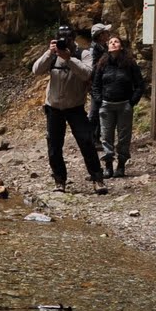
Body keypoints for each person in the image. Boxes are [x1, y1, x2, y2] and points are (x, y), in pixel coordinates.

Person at [31, 24, 108, 195]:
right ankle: (60, 181)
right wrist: (49, 53)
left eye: (68, 38)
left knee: (87, 142)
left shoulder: (83, 54)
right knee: (54, 146)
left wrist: (69, 58)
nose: (64, 42)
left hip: (75, 108)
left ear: (74, 39)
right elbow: (36, 70)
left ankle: (97, 179)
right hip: (54, 108)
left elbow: (88, 74)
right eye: (61, 38)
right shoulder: (52, 55)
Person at [91, 34, 145, 178]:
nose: (113, 43)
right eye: (111, 42)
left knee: (124, 137)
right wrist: (99, 101)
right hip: (106, 105)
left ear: (121, 46)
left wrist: (132, 102)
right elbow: (95, 85)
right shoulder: (101, 64)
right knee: (106, 136)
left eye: (116, 42)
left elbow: (140, 85)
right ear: (108, 47)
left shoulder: (130, 64)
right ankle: (108, 166)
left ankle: (121, 166)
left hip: (124, 105)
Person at [84, 23, 114, 123]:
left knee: (100, 109)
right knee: (95, 109)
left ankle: (97, 135)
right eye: (106, 32)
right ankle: (91, 135)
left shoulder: (102, 47)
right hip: (96, 84)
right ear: (101, 35)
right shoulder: (93, 50)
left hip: (102, 82)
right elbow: (91, 68)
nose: (108, 33)